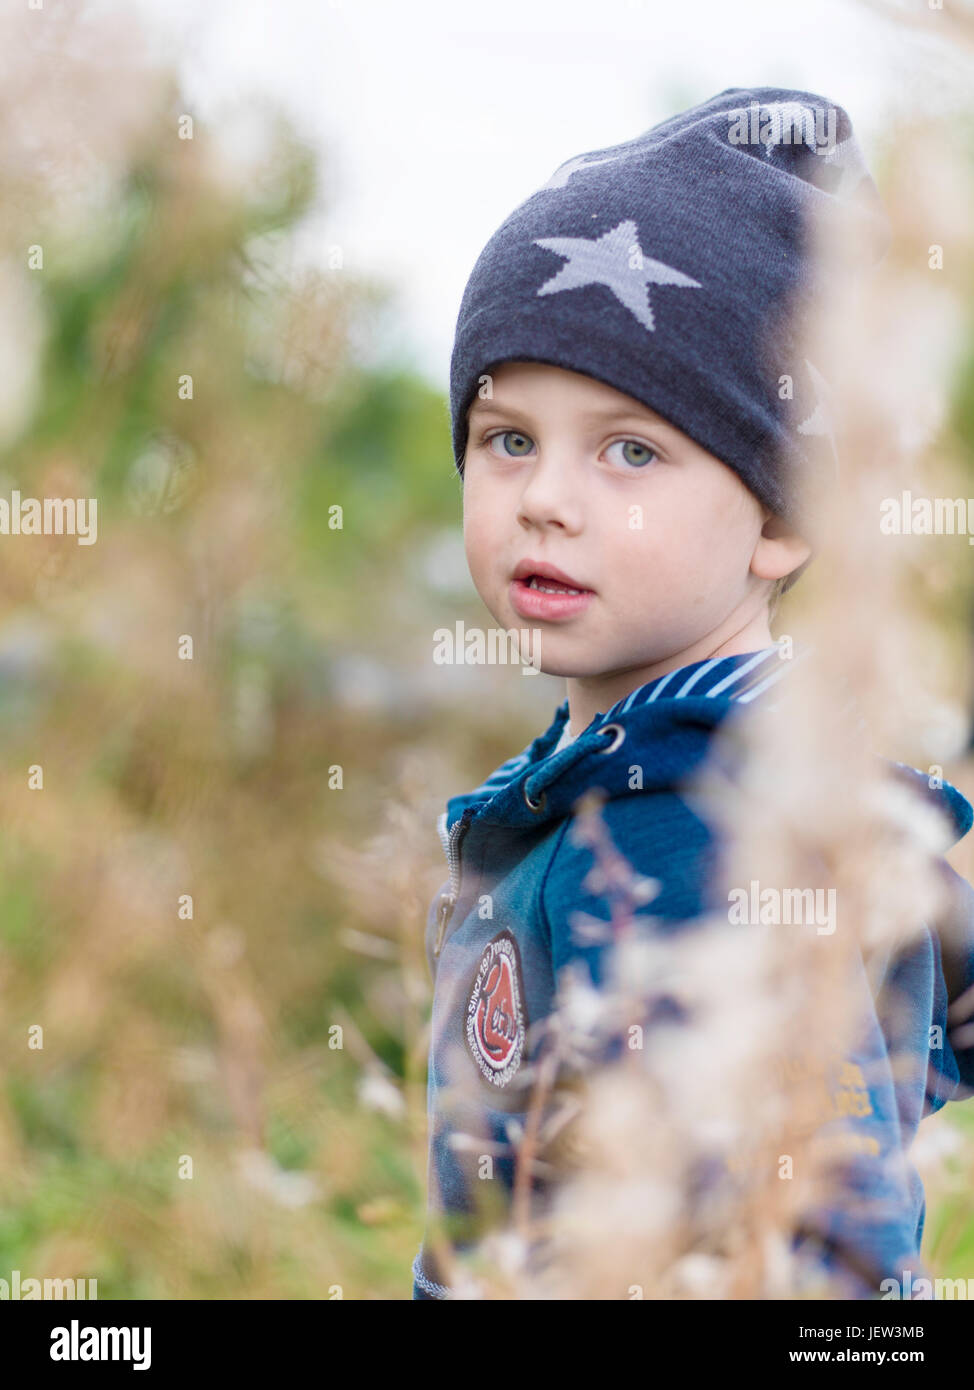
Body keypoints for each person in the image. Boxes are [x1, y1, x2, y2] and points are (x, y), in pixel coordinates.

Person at [412, 87, 974, 1300]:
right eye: (508, 436)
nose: (544, 497)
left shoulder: (688, 829)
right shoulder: (722, 793)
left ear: (780, 522)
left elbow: (788, 1246)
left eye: (629, 450)